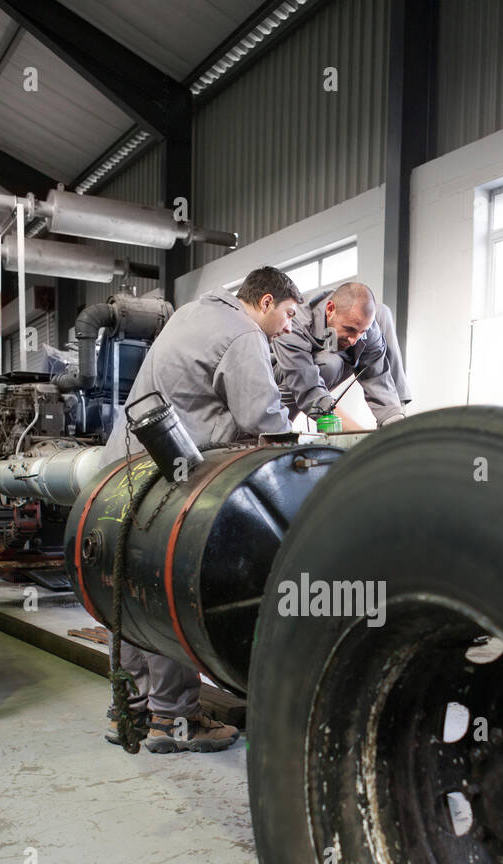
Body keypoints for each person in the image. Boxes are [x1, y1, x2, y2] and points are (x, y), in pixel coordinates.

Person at [103, 266, 301, 754]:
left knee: (129, 591)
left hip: (117, 474)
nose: (291, 328)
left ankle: (128, 709)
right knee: (166, 589)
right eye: (290, 315)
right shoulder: (243, 333)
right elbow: (263, 418)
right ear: (267, 301)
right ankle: (173, 721)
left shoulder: (193, 312)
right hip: (166, 475)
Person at [271, 281, 410, 431]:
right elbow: (308, 388)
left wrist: (396, 425)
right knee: (330, 364)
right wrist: (362, 438)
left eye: (361, 332)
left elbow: (376, 376)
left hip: (322, 367)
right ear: (330, 309)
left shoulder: (367, 327)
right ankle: (275, 427)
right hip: (282, 374)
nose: (354, 339)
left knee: (383, 312)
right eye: (349, 329)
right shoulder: (294, 322)